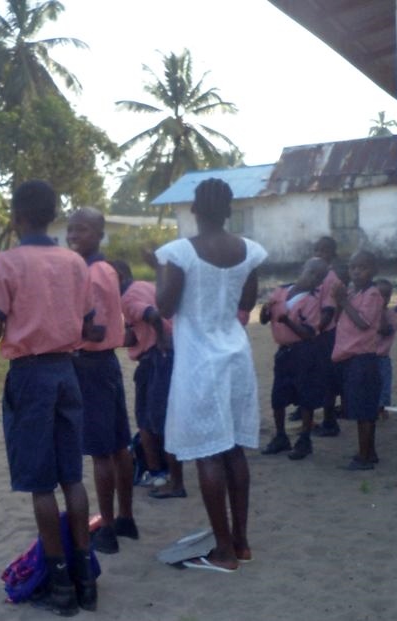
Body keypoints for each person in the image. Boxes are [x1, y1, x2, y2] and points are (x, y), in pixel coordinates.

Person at [0, 180, 98, 615]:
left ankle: (60, 583)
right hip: (67, 372)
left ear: (16, 216)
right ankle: (87, 580)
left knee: (41, 483)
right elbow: (86, 324)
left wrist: (10, 324)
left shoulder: (6, 263)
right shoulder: (74, 262)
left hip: (29, 376)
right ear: (53, 215)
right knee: (73, 478)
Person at [152, 178, 267, 572]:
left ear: (194, 210)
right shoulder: (248, 250)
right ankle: (241, 541)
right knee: (233, 448)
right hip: (235, 354)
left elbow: (165, 308)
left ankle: (223, 551)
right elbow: (248, 302)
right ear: (229, 210)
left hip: (199, 360)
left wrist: (160, 276)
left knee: (207, 451)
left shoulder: (179, 252)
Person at [66, 207, 138, 555]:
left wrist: (64, 329)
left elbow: (90, 329)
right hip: (107, 363)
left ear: (99, 233)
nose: (73, 236)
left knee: (100, 451)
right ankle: (126, 516)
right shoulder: (108, 269)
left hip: (90, 363)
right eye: (70, 230)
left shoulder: (88, 274)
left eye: (81, 230)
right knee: (119, 444)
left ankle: (107, 527)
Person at [112, 260, 186, 500]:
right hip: (165, 353)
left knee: (150, 419)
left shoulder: (128, 299)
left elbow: (152, 315)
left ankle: (165, 476)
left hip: (156, 357)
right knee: (157, 417)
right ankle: (163, 472)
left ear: (120, 275)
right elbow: (137, 332)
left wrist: (162, 338)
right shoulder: (144, 286)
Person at [258, 257, 328, 460]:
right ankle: (281, 436)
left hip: (304, 352)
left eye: (319, 276)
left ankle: (304, 440)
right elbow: (265, 319)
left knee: (305, 397)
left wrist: (287, 320)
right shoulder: (281, 291)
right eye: (311, 272)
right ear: (302, 269)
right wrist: (265, 311)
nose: (313, 278)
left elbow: (308, 334)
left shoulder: (312, 301)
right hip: (284, 351)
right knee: (277, 396)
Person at [331, 251, 384, 470]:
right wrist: (340, 300)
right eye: (353, 267)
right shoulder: (353, 292)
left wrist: (343, 301)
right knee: (362, 409)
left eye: (362, 267)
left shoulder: (373, 294)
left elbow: (363, 323)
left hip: (363, 359)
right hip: (351, 358)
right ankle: (369, 453)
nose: (356, 271)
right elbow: (339, 319)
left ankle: (364, 457)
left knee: (364, 411)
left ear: (373, 270)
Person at [313, 236, 348, 436]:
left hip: (326, 335)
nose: (319, 254)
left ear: (332, 254)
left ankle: (329, 422)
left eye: (324, 250)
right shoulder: (313, 275)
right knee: (317, 377)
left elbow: (328, 313)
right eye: (317, 249)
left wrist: (311, 331)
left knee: (327, 379)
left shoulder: (331, 278)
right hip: (316, 334)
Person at [374, 278, 397, 420]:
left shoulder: (391, 315)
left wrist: (381, 311)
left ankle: (381, 408)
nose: (382, 298)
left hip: (382, 357)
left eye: (386, 295)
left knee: (383, 384)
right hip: (366, 356)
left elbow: (384, 330)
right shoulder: (367, 311)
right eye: (379, 295)